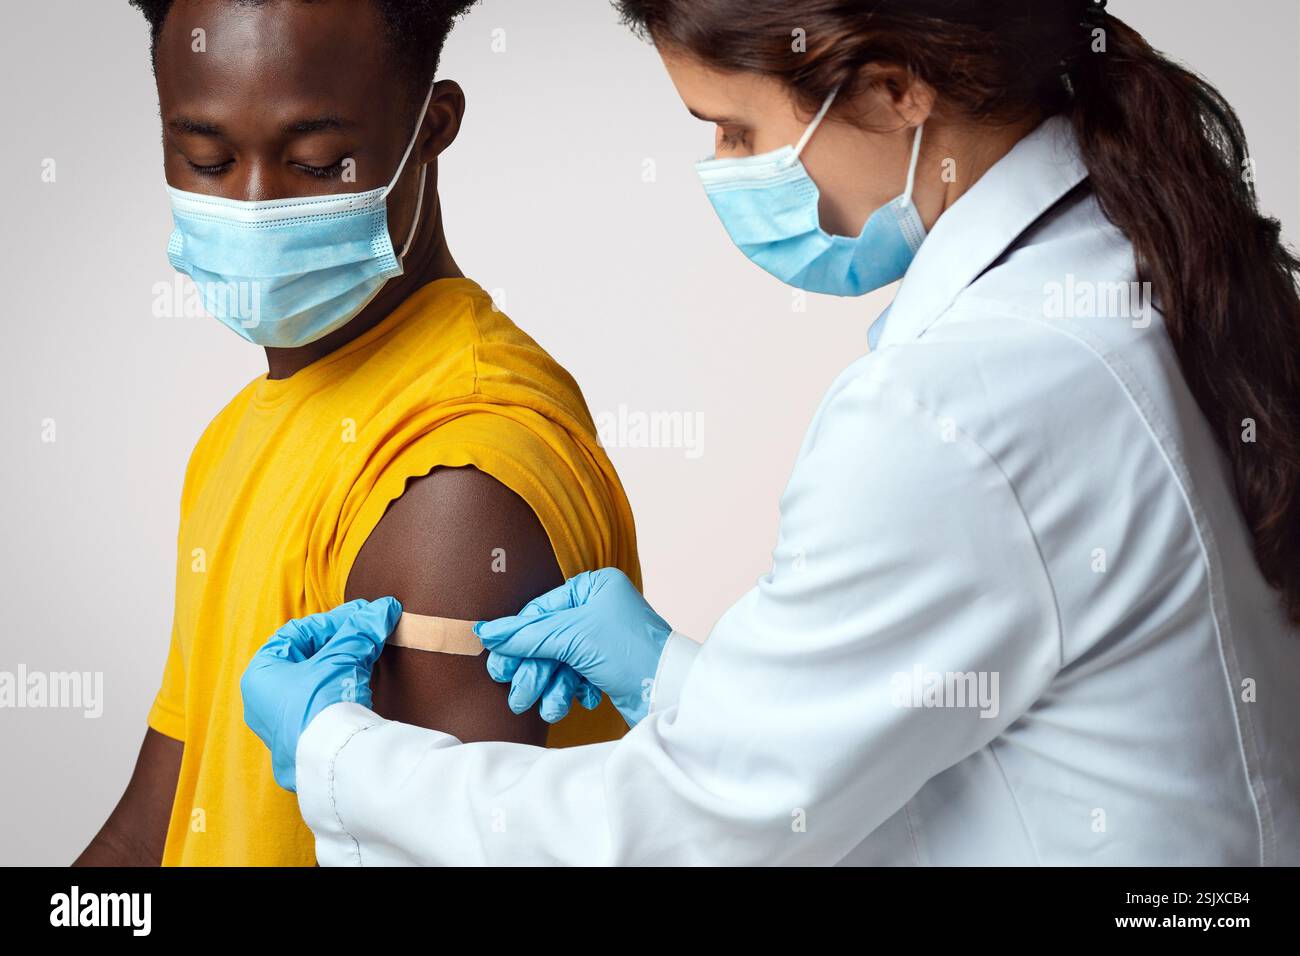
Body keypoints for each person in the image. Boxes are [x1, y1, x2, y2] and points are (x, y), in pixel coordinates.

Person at [243, 0, 1300, 865]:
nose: (724, 166)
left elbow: (683, 832)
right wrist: (677, 680)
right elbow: (965, 705)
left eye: (735, 130)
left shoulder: (955, 406)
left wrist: (337, 754)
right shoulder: (1122, 262)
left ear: (894, 87)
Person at [76, 0, 640, 867]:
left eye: (313, 162)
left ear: (432, 127)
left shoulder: (454, 483)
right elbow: (150, 834)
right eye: (207, 158)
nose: (255, 204)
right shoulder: (235, 436)